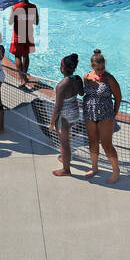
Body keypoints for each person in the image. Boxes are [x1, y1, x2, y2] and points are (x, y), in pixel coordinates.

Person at [81, 49, 122, 183]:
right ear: (92, 67)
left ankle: (116, 171)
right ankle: (94, 167)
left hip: (106, 116)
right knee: (92, 142)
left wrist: (114, 113)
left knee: (106, 144)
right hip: (89, 113)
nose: (101, 71)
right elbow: (84, 92)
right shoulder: (86, 76)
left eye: (103, 68)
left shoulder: (109, 78)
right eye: (98, 69)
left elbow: (118, 97)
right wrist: (87, 78)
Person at [49, 54, 84, 177]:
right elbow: (81, 92)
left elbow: (57, 107)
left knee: (64, 143)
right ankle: (66, 157)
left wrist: (52, 122)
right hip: (74, 112)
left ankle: (66, 169)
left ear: (62, 68)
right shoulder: (77, 79)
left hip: (64, 116)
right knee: (67, 138)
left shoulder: (61, 86)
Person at [8, 0, 39, 86]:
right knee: (26, 55)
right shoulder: (33, 7)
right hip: (29, 34)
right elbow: (36, 22)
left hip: (18, 35)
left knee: (17, 56)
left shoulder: (15, 7)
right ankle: (25, 75)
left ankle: (22, 79)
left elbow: (10, 22)